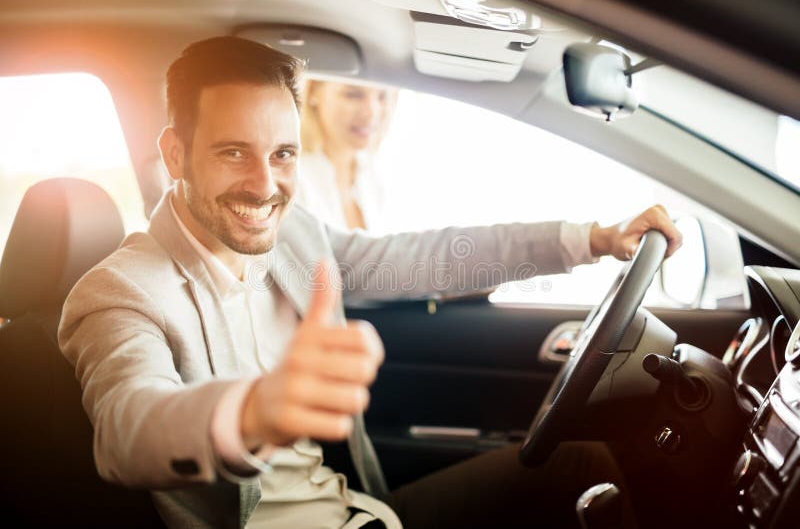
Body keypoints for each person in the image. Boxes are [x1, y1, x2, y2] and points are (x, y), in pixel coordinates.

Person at [58, 36, 682, 529]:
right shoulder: (121, 292)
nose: (264, 184)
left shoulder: (294, 234)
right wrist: (252, 411)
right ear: (175, 154)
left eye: (282, 154)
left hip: (363, 511)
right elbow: (127, 428)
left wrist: (592, 239)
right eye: (232, 152)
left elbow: (425, 258)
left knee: (583, 467)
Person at [295, 79, 396, 231]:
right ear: (314, 92)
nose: (371, 113)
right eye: (353, 95)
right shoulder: (296, 181)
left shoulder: (373, 175)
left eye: (382, 96)